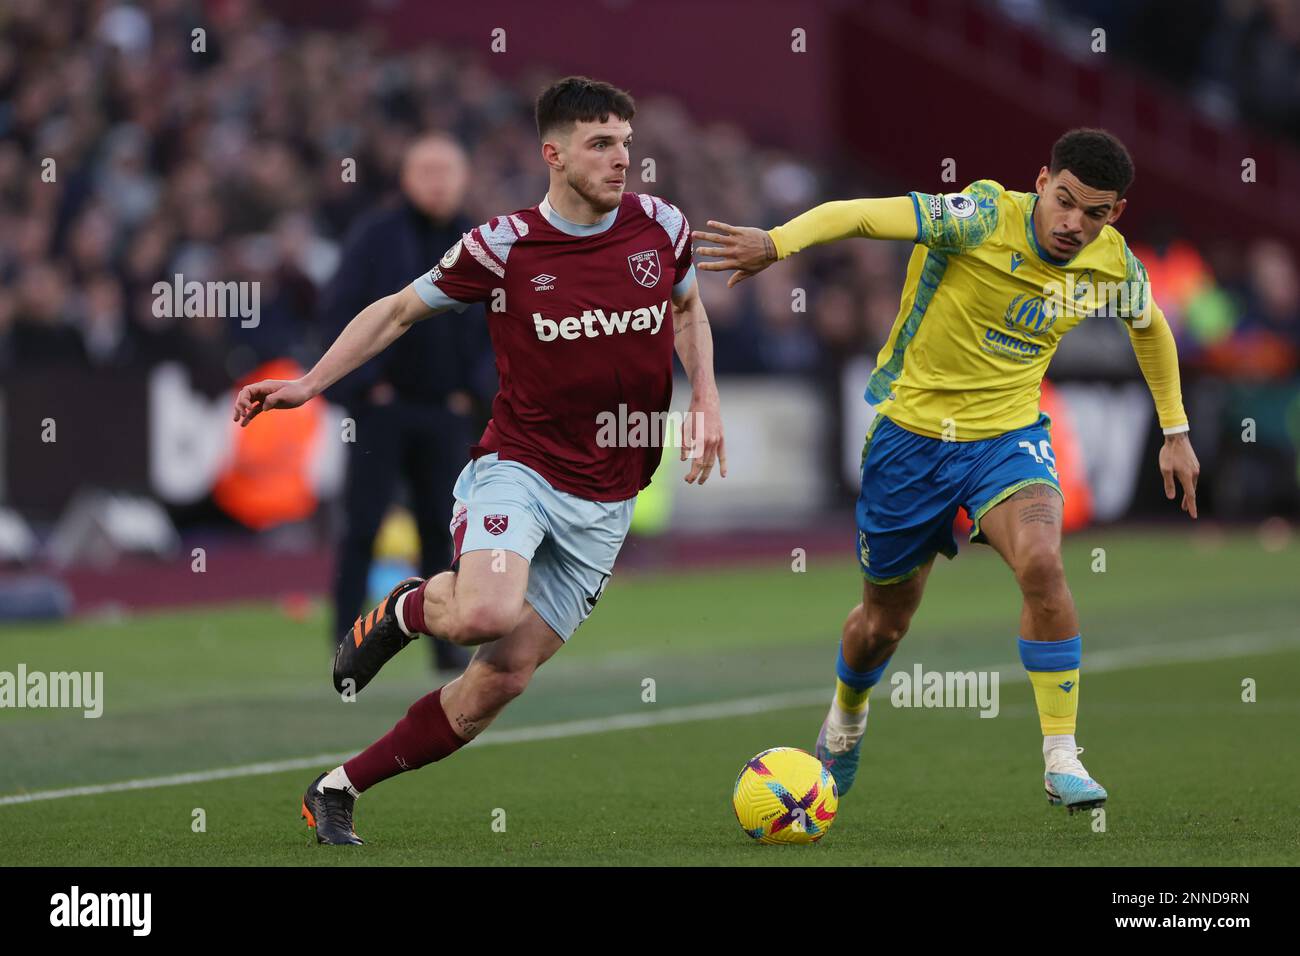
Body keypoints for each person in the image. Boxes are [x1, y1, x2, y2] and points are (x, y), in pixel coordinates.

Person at [233, 76, 726, 845]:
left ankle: (337, 788)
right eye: (601, 144)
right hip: (520, 468)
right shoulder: (503, 247)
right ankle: (407, 609)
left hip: (609, 498)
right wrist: (310, 383)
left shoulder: (661, 226)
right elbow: (397, 310)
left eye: (626, 143)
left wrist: (706, 401)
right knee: (483, 613)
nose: (621, 159)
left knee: (498, 682)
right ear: (553, 155)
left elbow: (688, 309)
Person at [693, 128, 1200, 814]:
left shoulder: (1111, 262)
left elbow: (1150, 326)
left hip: (1007, 439)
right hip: (911, 441)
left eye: (1095, 213)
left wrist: (1175, 431)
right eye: (1064, 201)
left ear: (1116, 214)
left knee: (1042, 563)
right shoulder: (980, 217)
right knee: (883, 624)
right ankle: (846, 719)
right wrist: (776, 243)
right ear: (1041, 182)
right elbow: (861, 215)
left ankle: (1062, 757)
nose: (1074, 224)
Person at [319, 134, 492, 676]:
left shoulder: (481, 240)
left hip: (446, 412)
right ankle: (345, 640)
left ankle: (445, 641)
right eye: (427, 170)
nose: (438, 182)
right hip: (382, 412)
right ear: (406, 177)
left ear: (464, 178)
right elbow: (341, 309)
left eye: (447, 170)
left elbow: (501, 325)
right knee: (363, 525)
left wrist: (474, 392)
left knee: (443, 527)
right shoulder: (375, 235)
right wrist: (367, 384)